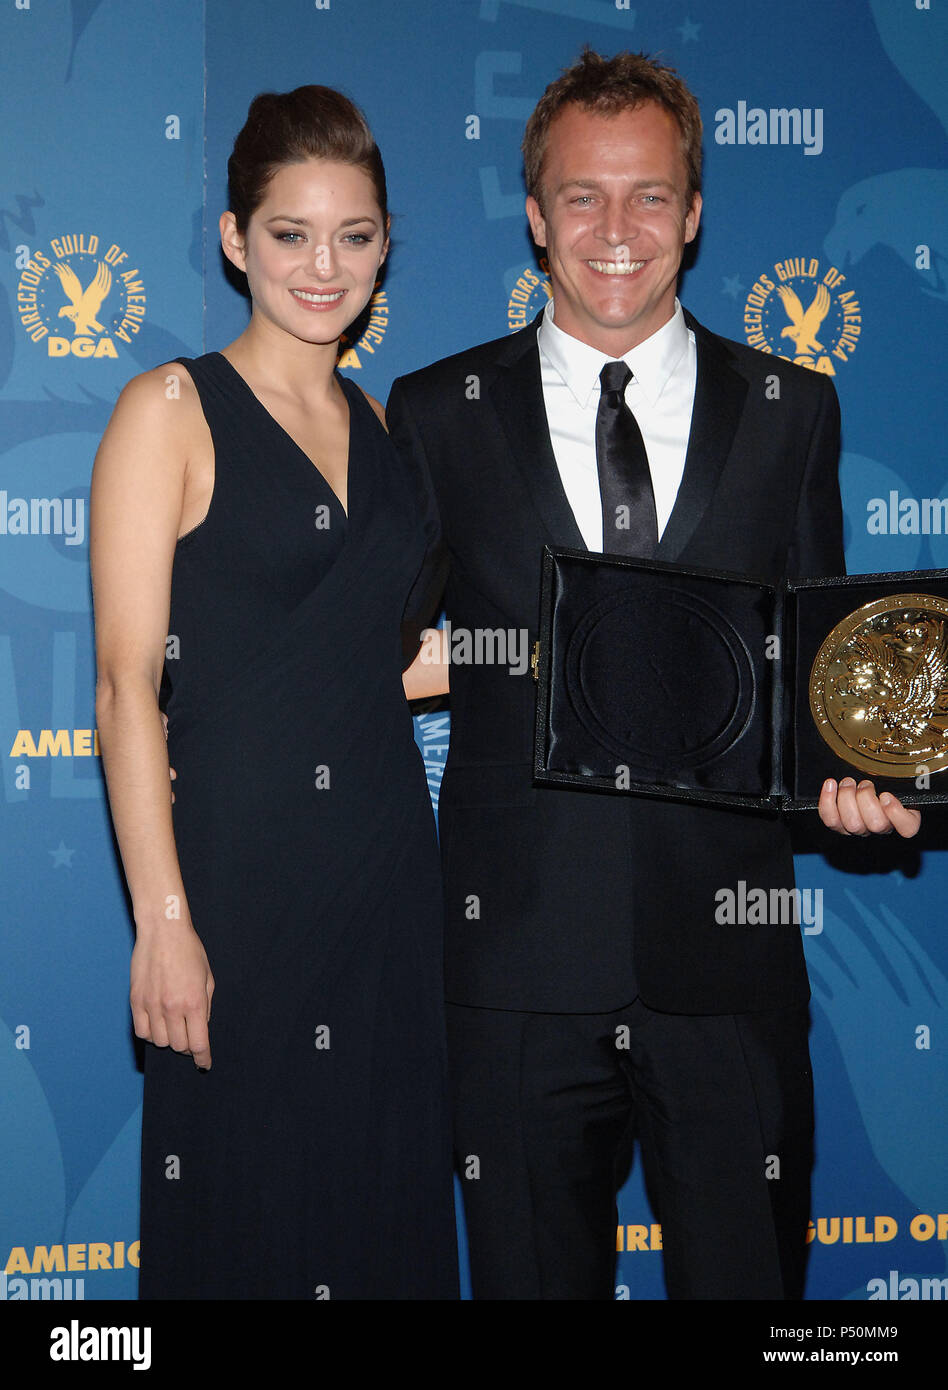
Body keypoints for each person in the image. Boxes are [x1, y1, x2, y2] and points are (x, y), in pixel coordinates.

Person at [385, 49, 920, 1300]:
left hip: (727, 971)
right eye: (581, 196)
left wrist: (847, 781)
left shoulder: (795, 407)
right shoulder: (438, 411)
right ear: (535, 215)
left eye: (647, 197)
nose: (614, 231)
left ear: (692, 211)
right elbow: (385, 654)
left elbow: (813, 678)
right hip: (514, 971)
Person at [91, 85, 457, 1300]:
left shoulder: (386, 428)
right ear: (235, 239)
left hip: (389, 884)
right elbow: (122, 686)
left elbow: (379, 660)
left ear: (386, 245)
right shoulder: (171, 409)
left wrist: (583, 651)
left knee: (380, 1211)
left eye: (354, 236)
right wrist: (164, 919)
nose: (324, 265)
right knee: (242, 1219)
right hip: (238, 896)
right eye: (291, 233)